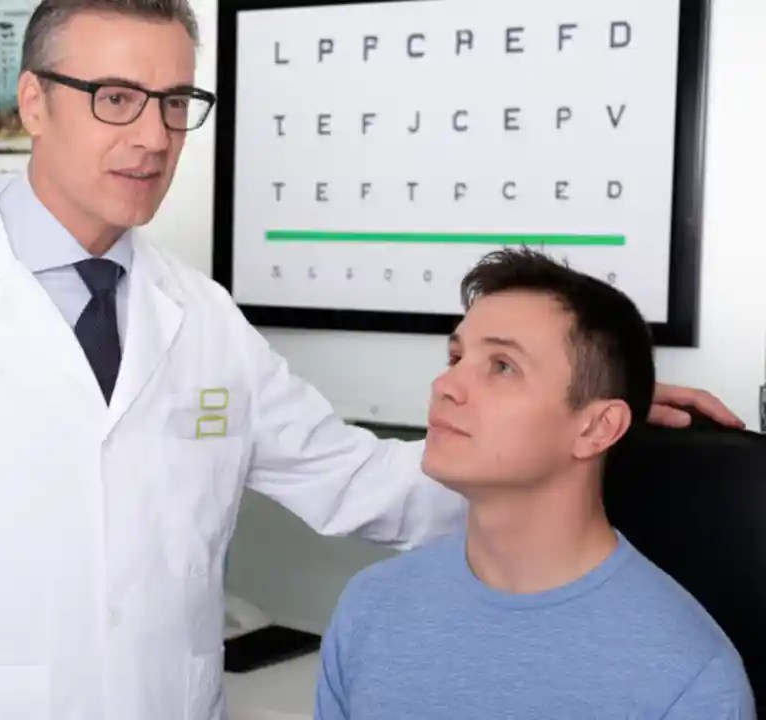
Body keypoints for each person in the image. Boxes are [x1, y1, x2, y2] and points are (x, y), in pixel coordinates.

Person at [0, 1, 743, 717]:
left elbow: (354, 480)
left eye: (176, 103)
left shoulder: (199, 317)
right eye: (114, 98)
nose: (151, 136)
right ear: (32, 101)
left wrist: (574, 431)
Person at [314, 248, 756, 719]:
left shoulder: (690, 680)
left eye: (503, 366)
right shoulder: (369, 610)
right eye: (456, 357)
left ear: (596, 428)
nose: (445, 385)